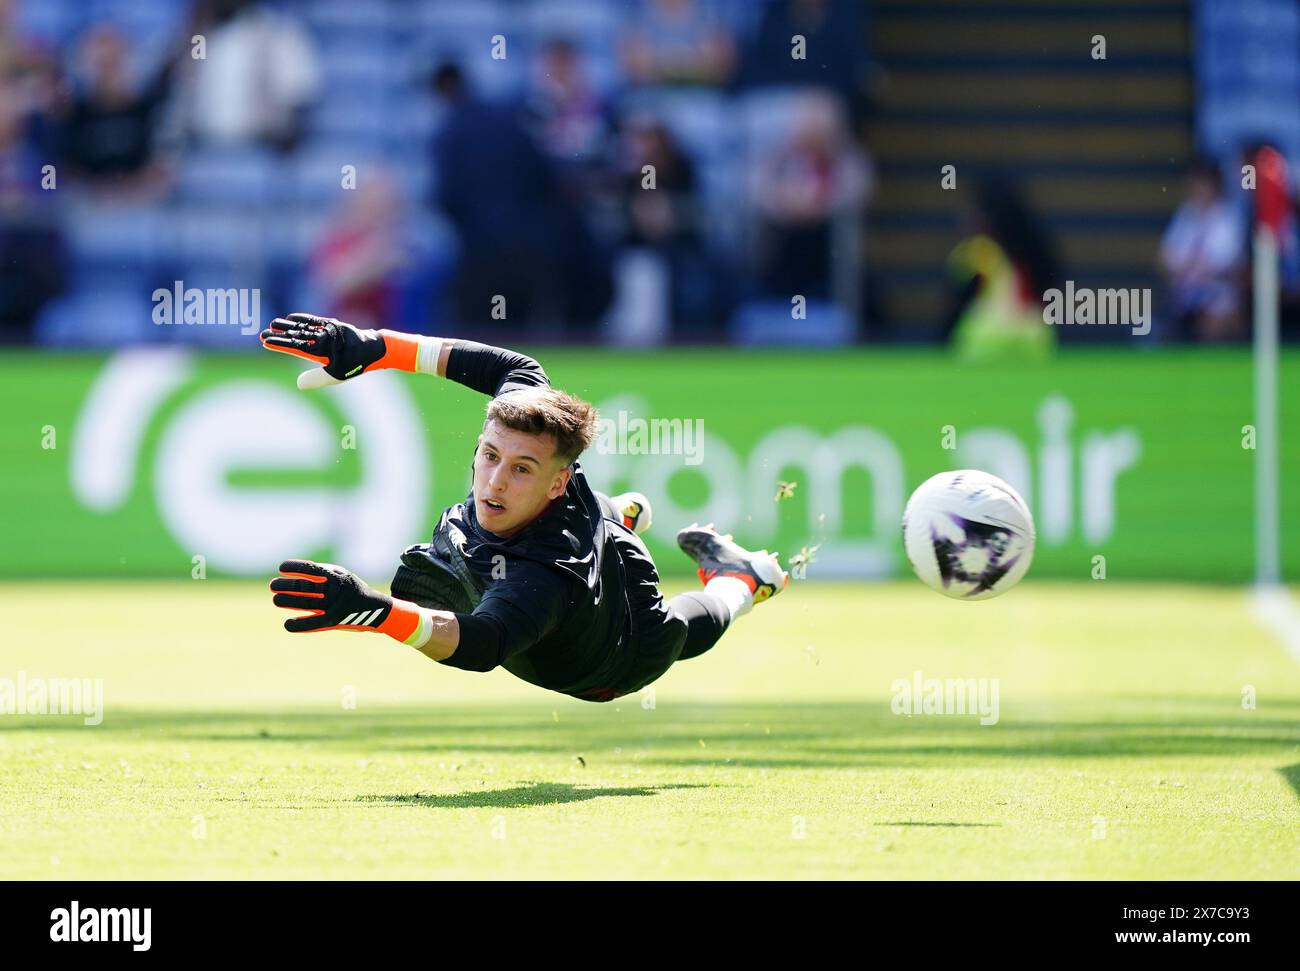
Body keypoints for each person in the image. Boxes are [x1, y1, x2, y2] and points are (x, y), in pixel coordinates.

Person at [257, 313, 788, 702]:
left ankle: (742, 579)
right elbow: (515, 365)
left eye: (520, 469)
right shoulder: (538, 464)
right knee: (462, 550)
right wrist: (377, 347)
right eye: (490, 455)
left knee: (678, 630)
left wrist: (378, 613)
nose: (494, 480)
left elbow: (482, 643)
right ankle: (612, 516)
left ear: (557, 481)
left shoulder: (542, 577)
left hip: (613, 661)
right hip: (577, 534)